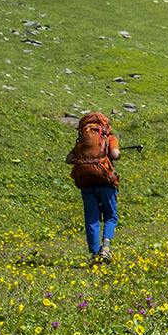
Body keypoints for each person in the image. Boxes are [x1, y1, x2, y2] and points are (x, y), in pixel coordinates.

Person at [66, 111, 121, 266]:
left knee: (92, 218)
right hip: (105, 180)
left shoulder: (83, 140)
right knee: (110, 216)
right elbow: (115, 154)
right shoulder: (108, 137)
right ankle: (106, 247)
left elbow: (68, 159)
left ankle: (94, 254)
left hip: (86, 182)